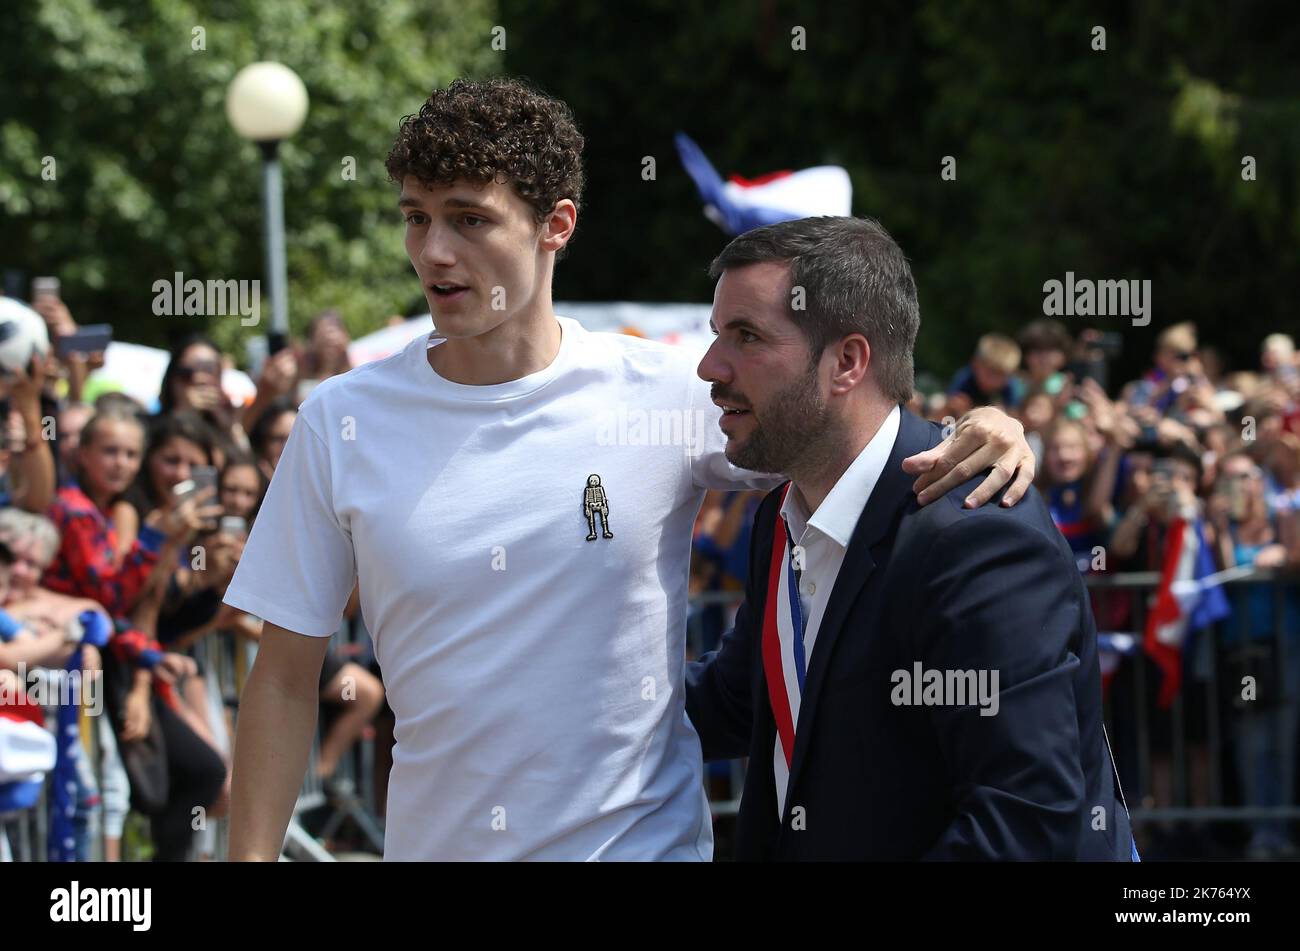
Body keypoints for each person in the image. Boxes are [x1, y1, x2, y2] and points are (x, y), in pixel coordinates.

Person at [224, 77, 1036, 862]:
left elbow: (851, 437)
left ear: (557, 225)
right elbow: (286, 678)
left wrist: (979, 426)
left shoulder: (665, 392)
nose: (434, 250)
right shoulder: (342, 420)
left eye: (470, 219)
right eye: (416, 217)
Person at [685, 215, 1131, 860]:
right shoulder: (781, 515)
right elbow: (742, 698)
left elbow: (1026, 819)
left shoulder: (976, 535)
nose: (708, 366)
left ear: (846, 361)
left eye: (745, 336)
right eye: (715, 335)